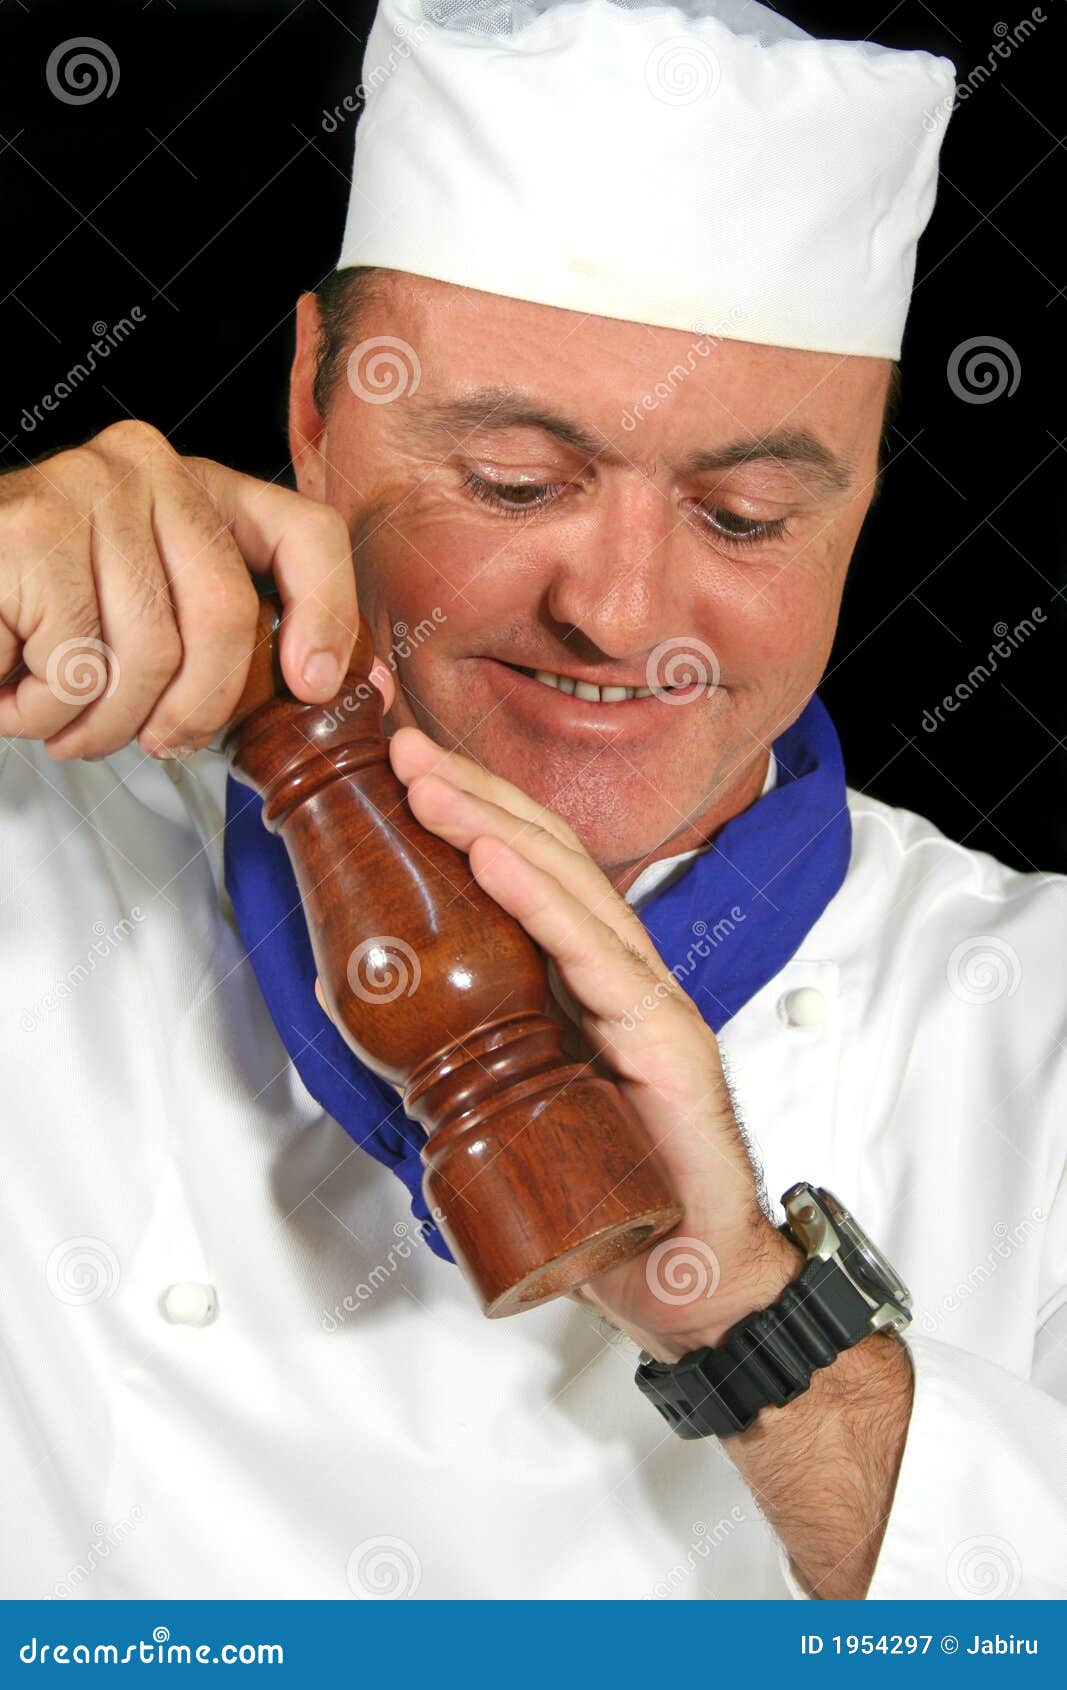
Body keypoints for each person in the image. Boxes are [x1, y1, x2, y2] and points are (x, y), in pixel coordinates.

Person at [1, 0, 1064, 1603]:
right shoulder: (31, 834)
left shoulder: (1037, 1023)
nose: (623, 615)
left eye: (749, 513)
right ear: (313, 403)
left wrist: (754, 1321)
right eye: (514, 481)